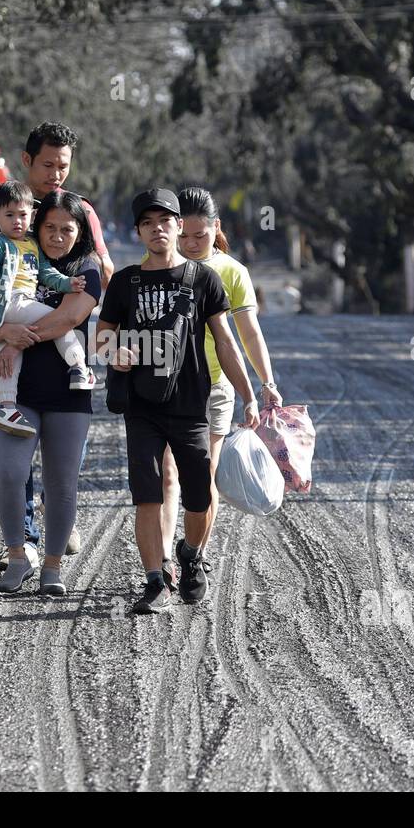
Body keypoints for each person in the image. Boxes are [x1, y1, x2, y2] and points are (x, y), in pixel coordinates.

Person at [0, 122, 113, 562]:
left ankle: (60, 517)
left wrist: (102, 325)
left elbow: (102, 270)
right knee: (16, 434)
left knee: (62, 449)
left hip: (58, 337)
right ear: (27, 161)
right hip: (6, 334)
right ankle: (25, 538)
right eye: (48, 165)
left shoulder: (80, 211)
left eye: (64, 166)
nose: (57, 174)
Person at [97, 188, 259, 615]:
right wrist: (113, 352)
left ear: (178, 226)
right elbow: (102, 333)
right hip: (140, 406)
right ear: (138, 232)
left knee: (199, 494)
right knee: (146, 493)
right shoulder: (125, 282)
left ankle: (190, 554)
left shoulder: (203, 280)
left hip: (190, 404)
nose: (157, 229)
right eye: (147, 223)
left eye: (164, 222)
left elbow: (225, 341)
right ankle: (154, 581)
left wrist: (249, 395)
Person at [0, 191, 102, 595]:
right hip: (17, 392)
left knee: (62, 483)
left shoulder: (87, 267)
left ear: (79, 232)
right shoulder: (8, 255)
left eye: (67, 229)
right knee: (9, 475)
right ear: (35, 225)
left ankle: (53, 566)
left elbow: (71, 315)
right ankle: (16, 555)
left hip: (68, 390)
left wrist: (15, 342)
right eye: (50, 227)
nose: (58, 236)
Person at [159, 188, 282, 572]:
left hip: (215, 386)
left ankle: (194, 552)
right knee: (166, 475)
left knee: (203, 475)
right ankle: (162, 563)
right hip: (166, 387)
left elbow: (249, 333)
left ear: (216, 228)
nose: (192, 244)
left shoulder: (232, 272)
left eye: (201, 235)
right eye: (184, 235)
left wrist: (266, 382)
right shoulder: (158, 265)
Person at [0, 180, 94, 436]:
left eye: (23, 215)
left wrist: (66, 283)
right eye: (10, 215)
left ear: (32, 216)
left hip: (14, 312)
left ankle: (6, 406)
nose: (17, 221)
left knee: (8, 361)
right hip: (12, 302)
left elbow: (46, 273)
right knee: (59, 326)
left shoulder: (32, 245)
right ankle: (80, 368)